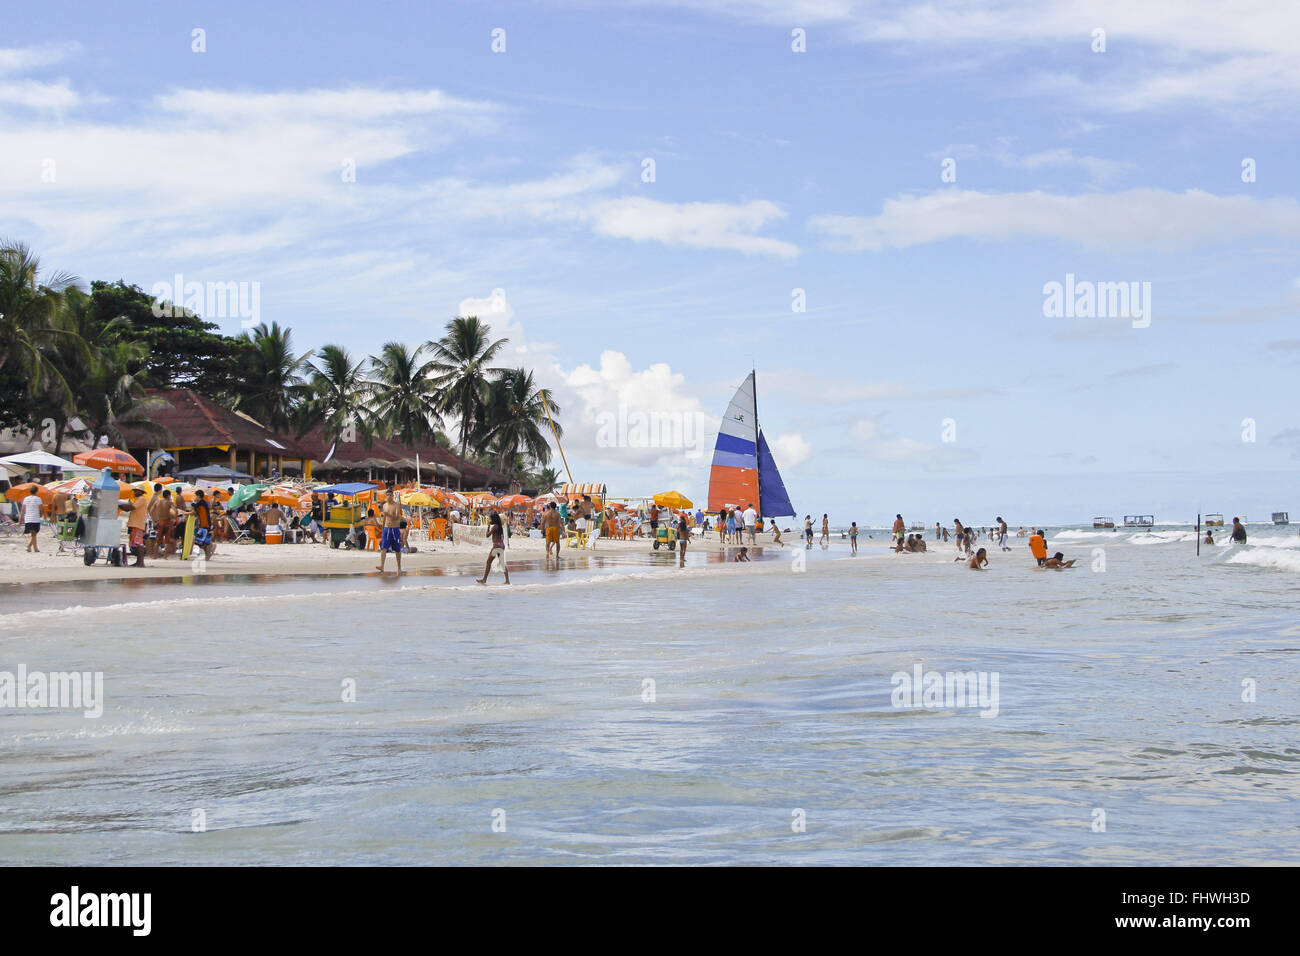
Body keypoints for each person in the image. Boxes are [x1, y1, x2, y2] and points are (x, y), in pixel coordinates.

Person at [476, 511, 510, 584]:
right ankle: (507, 581)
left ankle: (484, 579)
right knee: (502, 563)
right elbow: (502, 537)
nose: (489, 520)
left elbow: (487, 535)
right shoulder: (500, 526)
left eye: (490, 519)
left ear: (494, 520)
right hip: (501, 545)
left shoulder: (495, 526)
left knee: (488, 562)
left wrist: (488, 527)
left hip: (496, 546)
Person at [377, 483, 403, 574]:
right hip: (386, 529)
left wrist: (387, 514)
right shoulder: (384, 505)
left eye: (390, 495)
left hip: (395, 528)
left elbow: (396, 517)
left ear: (393, 496)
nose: (389, 497)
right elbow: (384, 517)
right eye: (387, 495)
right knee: (383, 548)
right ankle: (382, 565)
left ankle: (399, 567)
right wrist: (382, 527)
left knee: (397, 549)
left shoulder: (396, 505)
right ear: (386, 496)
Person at [191, 490, 217, 561]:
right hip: (206, 525)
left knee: (202, 543)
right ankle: (208, 553)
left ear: (198, 496)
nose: (195, 497)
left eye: (195, 496)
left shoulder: (200, 503)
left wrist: (192, 504)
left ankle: (208, 553)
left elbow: (193, 512)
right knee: (204, 542)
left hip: (204, 525)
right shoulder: (203, 503)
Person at [21, 487, 43, 553]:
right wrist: (41, 515)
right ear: (36, 491)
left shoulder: (26, 499)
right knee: (34, 533)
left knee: (33, 534)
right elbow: (41, 509)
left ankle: (29, 546)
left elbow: (22, 509)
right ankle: (35, 548)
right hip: (35, 518)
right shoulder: (38, 499)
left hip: (28, 518)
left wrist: (20, 518)